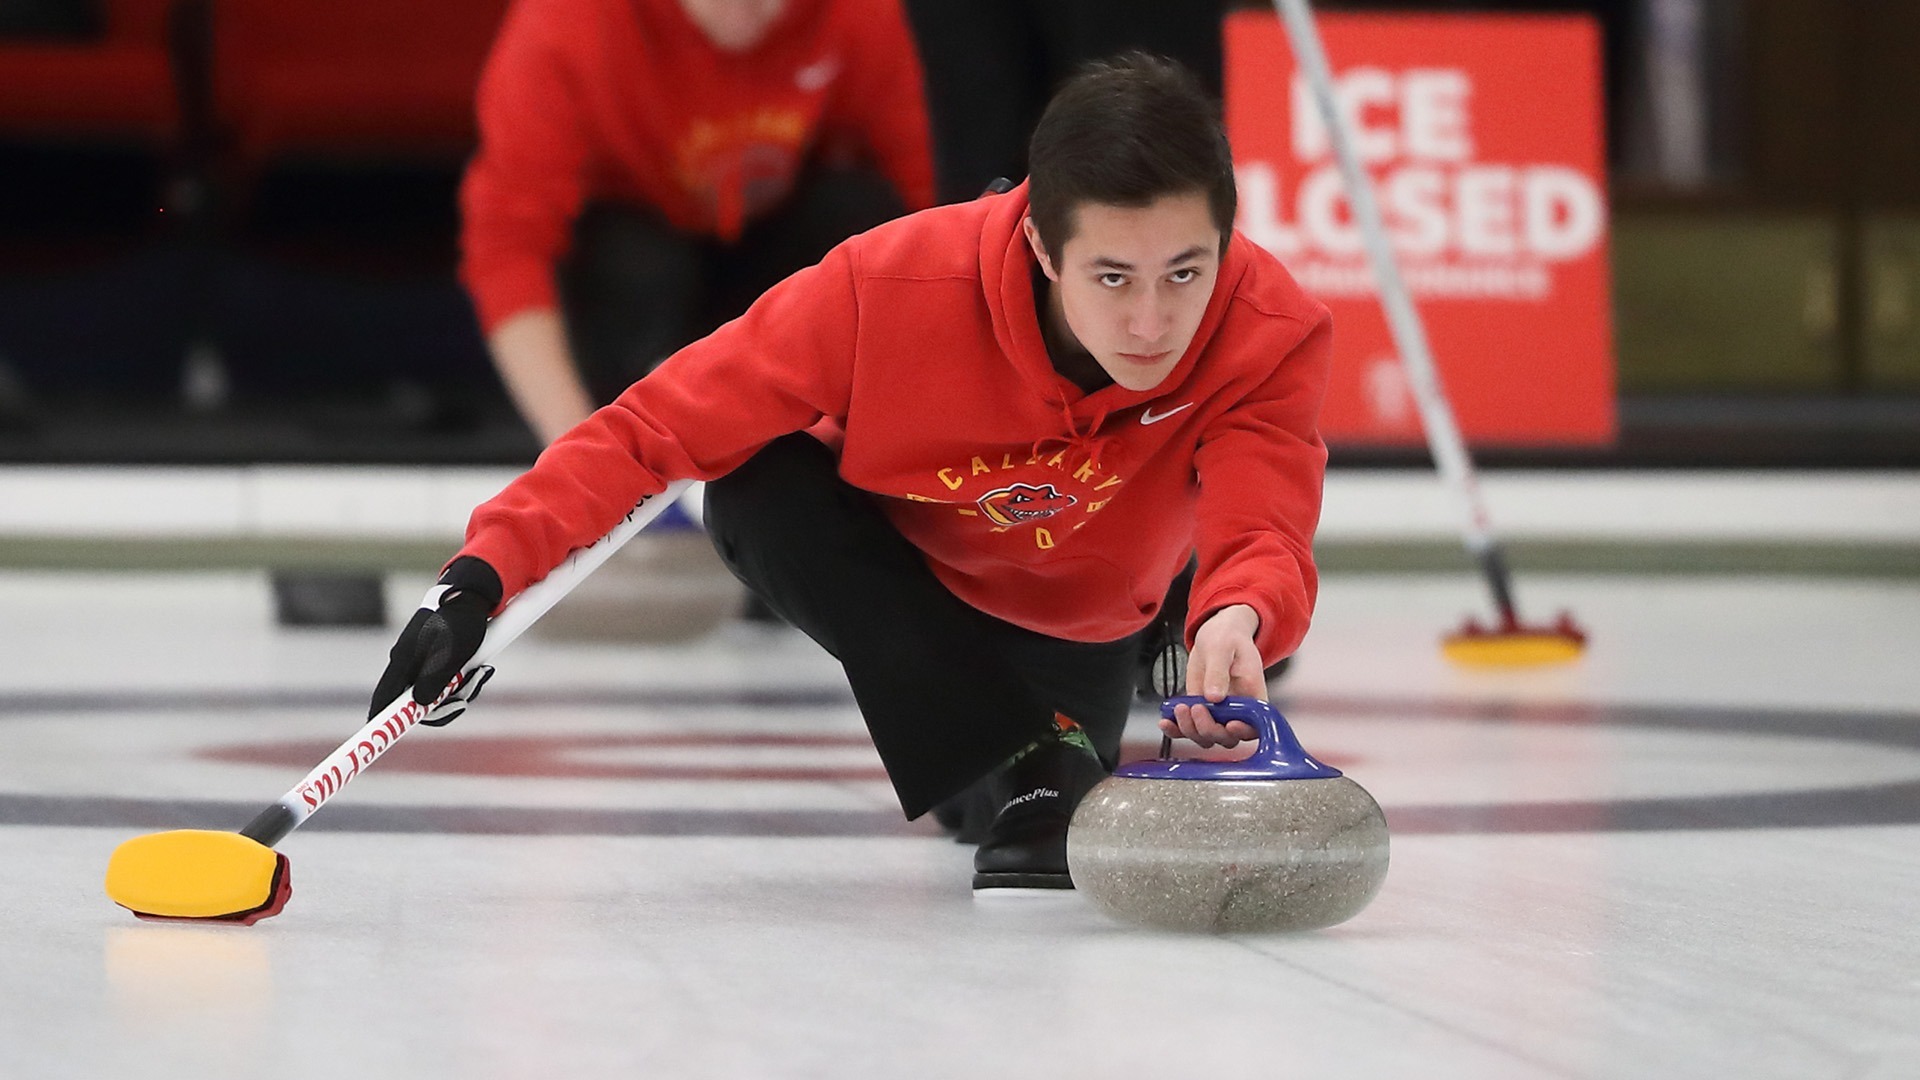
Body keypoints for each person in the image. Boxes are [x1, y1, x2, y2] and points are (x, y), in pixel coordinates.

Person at [375, 53, 1332, 892]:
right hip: (918, 602)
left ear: (1227, 241)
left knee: (1013, 817)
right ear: (1042, 245)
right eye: (1113, 278)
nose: (1153, 324)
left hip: (1086, 619)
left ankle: (1031, 750)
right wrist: (480, 576)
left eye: (1186, 272)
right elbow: (651, 431)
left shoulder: (1268, 330)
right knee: (756, 483)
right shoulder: (888, 288)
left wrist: (1238, 613)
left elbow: (1264, 526)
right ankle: (1018, 746)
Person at [461, 0, 935, 446]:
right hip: (635, 271)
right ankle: (626, 441)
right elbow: (509, 245)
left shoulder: (861, 13)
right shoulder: (567, 23)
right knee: (629, 262)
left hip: (774, 256)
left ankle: (833, 446)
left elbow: (938, 208)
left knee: (862, 223)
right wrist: (573, 449)